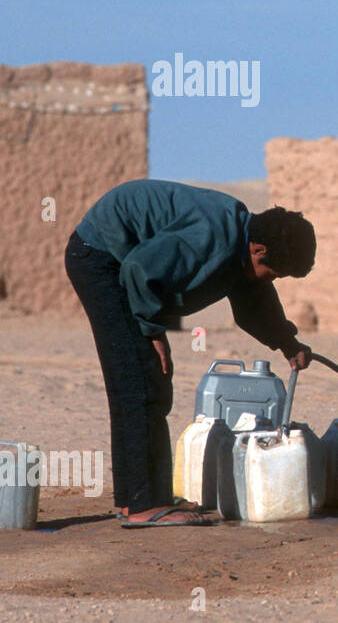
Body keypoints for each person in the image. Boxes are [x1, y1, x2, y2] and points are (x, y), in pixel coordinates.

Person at [64, 179, 315, 528]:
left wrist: (289, 344)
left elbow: (254, 304)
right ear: (259, 250)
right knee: (137, 384)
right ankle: (142, 506)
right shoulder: (214, 237)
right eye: (273, 273)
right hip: (101, 257)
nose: (270, 281)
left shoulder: (242, 245)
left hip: (121, 266)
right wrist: (152, 331)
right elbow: (139, 269)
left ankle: (140, 498)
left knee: (146, 384)